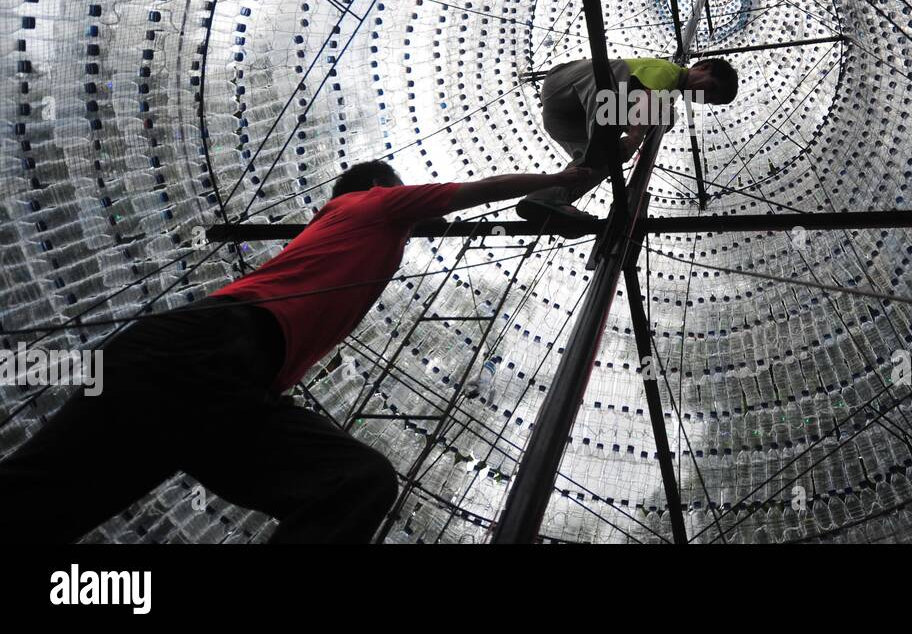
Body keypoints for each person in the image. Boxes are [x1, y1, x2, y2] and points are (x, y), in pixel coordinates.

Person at [0, 160, 596, 544]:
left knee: (43, 502)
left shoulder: (355, 227)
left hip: (208, 368)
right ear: (381, 188)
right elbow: (474, 191)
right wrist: (563, 182)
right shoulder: (370, 204)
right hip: (213, 350)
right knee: (353, 482)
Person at [516, 56, 738, 223]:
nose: (704, 97)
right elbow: (647, 95)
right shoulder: (669, 70)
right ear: (703, 67)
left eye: (710, 99)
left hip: (567, 119)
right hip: (567, 86)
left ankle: (546, 197)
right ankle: (603, 137)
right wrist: (634, 137)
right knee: (621, 77)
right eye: (710, 88)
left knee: (600, 162)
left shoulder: (667, 97)